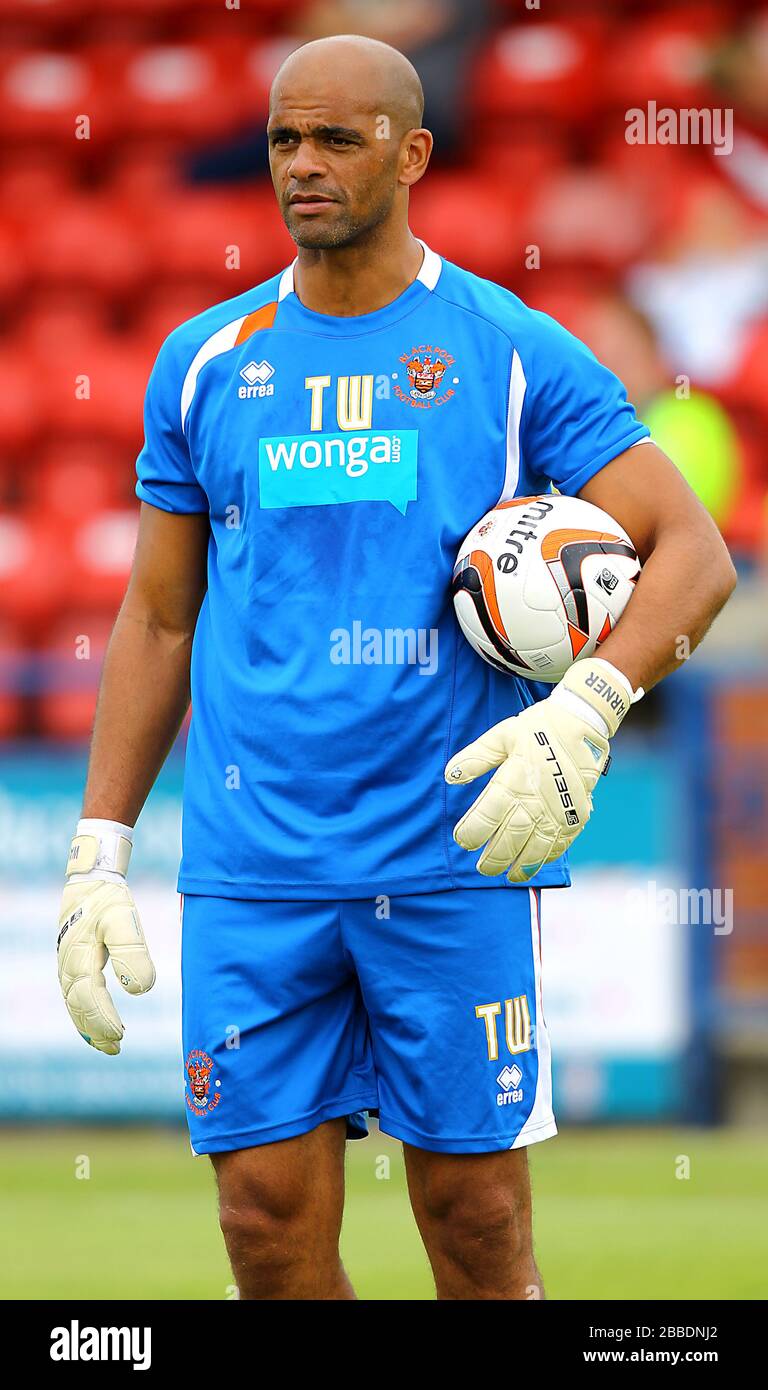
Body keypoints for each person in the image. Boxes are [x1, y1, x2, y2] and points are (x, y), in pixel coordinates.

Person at [57, 35, 736, 1301]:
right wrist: (100, 847)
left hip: (453, 855)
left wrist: (586, 711)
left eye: (338, 140)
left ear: (415, 153)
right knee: (263, 1227)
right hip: (257, 871)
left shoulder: (506, 347)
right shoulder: (205, 361)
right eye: (282, 141)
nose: (302, 167)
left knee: (475, 1225)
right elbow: (156, 621)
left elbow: (692, 555)